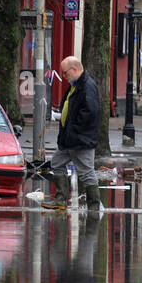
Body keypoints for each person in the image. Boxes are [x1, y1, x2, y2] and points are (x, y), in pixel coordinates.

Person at [43, 56, 101, 211]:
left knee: (86, 172)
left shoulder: (87, 87)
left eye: (65, 72)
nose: (63, 76)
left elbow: (89, 113)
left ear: (74, 70)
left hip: (80, 140)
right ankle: (61, 200)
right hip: (71, 139)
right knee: (56, 163)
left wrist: (74, 131)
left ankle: (94, 206)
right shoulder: (77, 86)